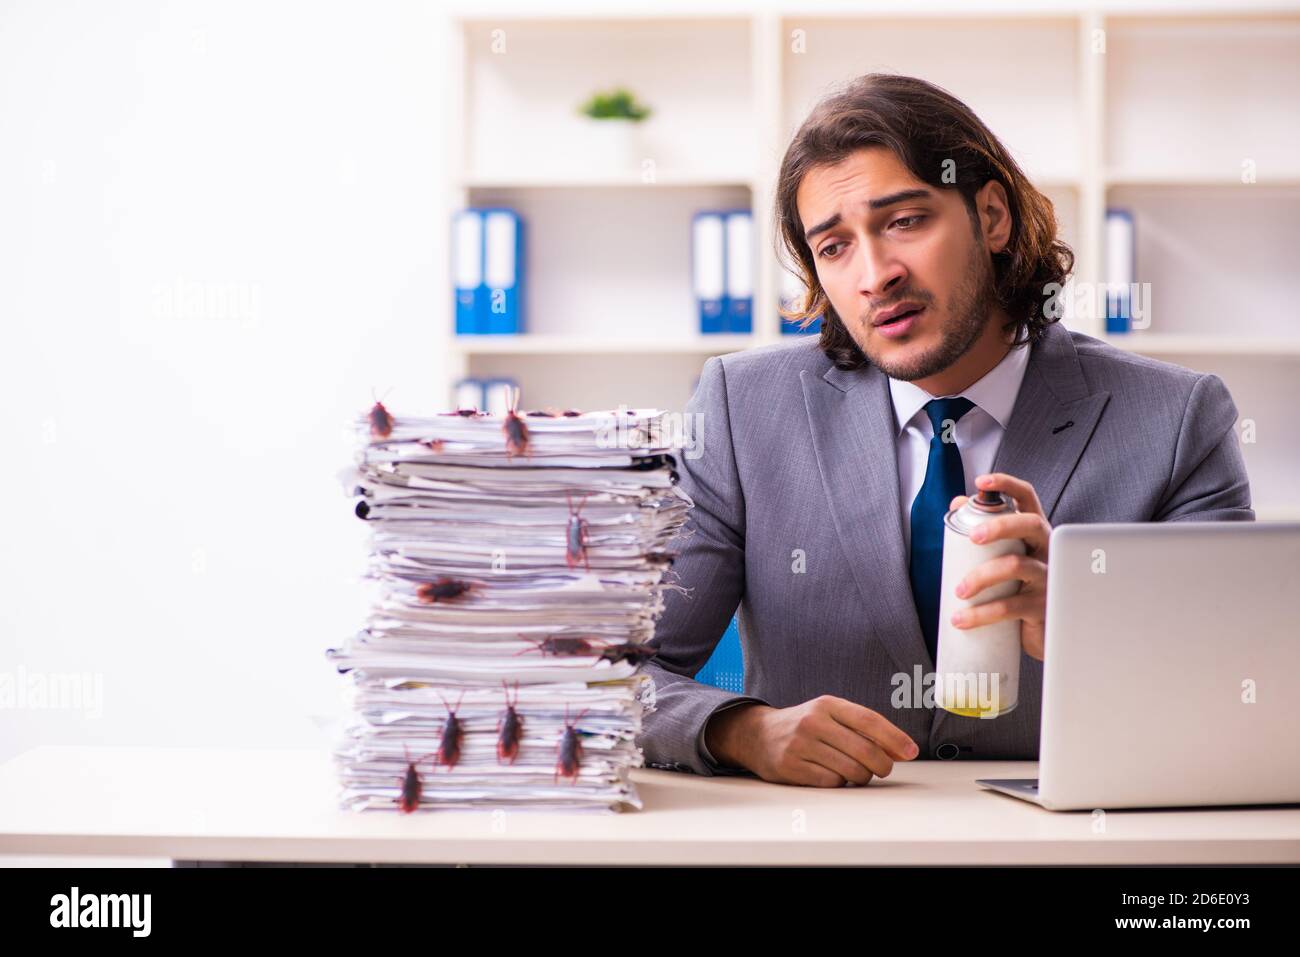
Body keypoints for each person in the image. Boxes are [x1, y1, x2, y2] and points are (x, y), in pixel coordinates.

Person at [636, 73, 1253, 788]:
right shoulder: (743, 409)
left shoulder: (1177, 419)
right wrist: (739, 729)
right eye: (834, 247)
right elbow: (616, 674)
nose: (876, 275)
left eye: (904, 221)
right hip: (824, 845)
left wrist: (1092, 623)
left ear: (992, 217)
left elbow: (1241, 693)